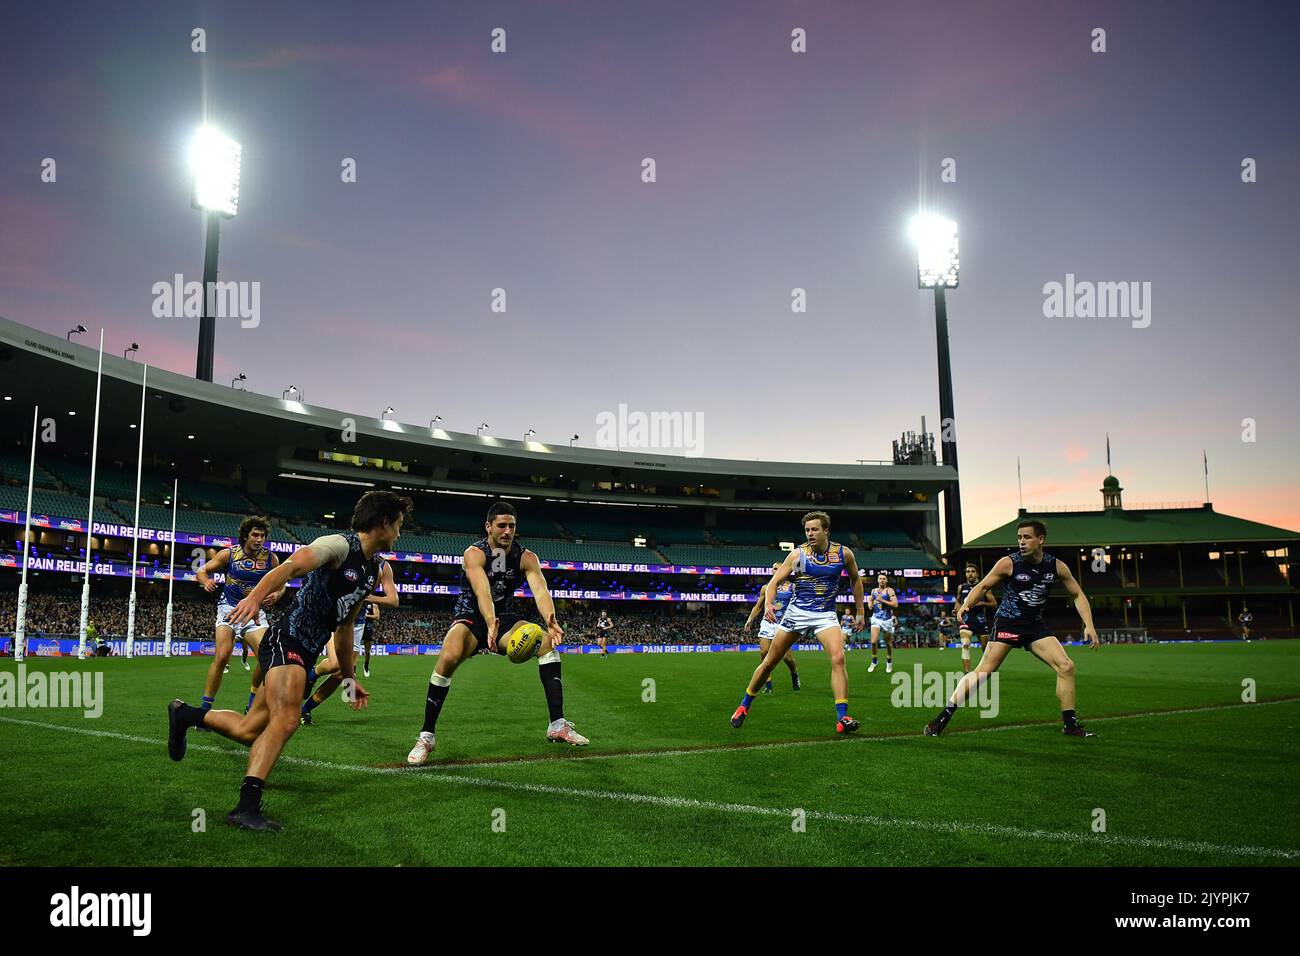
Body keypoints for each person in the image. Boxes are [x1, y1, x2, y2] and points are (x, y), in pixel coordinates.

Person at [166, 490, 412, 831]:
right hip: (287, 640)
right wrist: (253, 598)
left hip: (304, 650)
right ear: (383, 523)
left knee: (250, 731)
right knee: (287, 719)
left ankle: (184, 714)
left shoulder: (372, 571)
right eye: (398, 525)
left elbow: (344, 628)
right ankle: (246, 807)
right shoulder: (339, 545)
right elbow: (293, 564)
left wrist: (349, 678)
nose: (400, 533)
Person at [406, 501, 588, 765]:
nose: (507, 531)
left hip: (504, 619)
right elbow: (481, 590)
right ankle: (426, 737)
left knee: (546, 642)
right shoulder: (475, 554)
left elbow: (540, 590)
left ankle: (557, 724)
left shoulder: (526, 557)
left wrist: (550, 618)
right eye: (501, 525)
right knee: (449, 656)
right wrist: (489, 621)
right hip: (471, 617)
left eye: (512, 526)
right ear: (488, 527)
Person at [924, 519, 1100, 738]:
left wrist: (1089, 625)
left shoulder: (1056, 566)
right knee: (983, 672)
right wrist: (966, 605)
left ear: (1041, 539)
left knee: (1066, 667)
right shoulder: (1008, 563)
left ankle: (1070, 725)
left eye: (1027, 537)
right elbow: (983, 585)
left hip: (1035, 627)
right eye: (1019, 538)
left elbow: (1077, 594)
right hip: (1008, 624)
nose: (1021, 542)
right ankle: (942, 717)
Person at [730, 512, 863, 735]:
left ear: (826, 531)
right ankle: (744, 706)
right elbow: (774, 582)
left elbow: (855, 579)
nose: (810, 534)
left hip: (825, 614)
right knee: (770, 661)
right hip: (797, 612)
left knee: (839, 658)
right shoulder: (799, 555)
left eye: (814, 529)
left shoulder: (843, 554)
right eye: (807, 530)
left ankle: (843, 718)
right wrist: (770, 604)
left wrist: (860, 610)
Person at [196, 517, 283, 712]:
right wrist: (206, 581)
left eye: (262, 536)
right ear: (246, 535)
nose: (259, 539)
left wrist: (277, 594)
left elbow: (282, 585)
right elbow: (202, 571)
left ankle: (252, 703)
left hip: (254, 613)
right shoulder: (229, 554)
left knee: (268, 656)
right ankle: (204, 710)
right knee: (222, 656)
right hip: (229, 609)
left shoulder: (272, 558)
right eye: (255, 535)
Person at [742, 562, 800, 694]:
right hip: (768, 622)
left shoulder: (793, 587)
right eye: (773, 568)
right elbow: (758, 606)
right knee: (764, 652)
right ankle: (767, 683)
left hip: (784, 624)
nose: (775, 570)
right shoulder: (766, 588)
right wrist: (750, 619)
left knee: (787, 658)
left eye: (778, 568)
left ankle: (794, 674)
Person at [955, 562, 996, 673]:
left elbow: (993, 603)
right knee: (965, 645)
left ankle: (988, 670)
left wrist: (981, 603)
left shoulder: (983, 586)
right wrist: (956, 609)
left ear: (977, 574)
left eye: (973, 572)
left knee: (986, 649)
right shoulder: (961, 587)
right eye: (968, 572)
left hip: (980, 621)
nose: (970, 574)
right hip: (967, 620)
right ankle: (967, 673)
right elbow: (958, 601)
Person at [867, 573, 898, 673]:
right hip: (876, 618)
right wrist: (870, 604)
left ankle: (889, 662)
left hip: (887, 619)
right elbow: (871, 599)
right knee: (873, 641)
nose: (882, 580)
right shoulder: (874, 591)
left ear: (886, 581)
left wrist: (883, 600)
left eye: (884, 579)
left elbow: (895, 604)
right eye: (880, 578)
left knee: (888, 643)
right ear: (877, 580)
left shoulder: (890, 590)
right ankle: (874, 661)